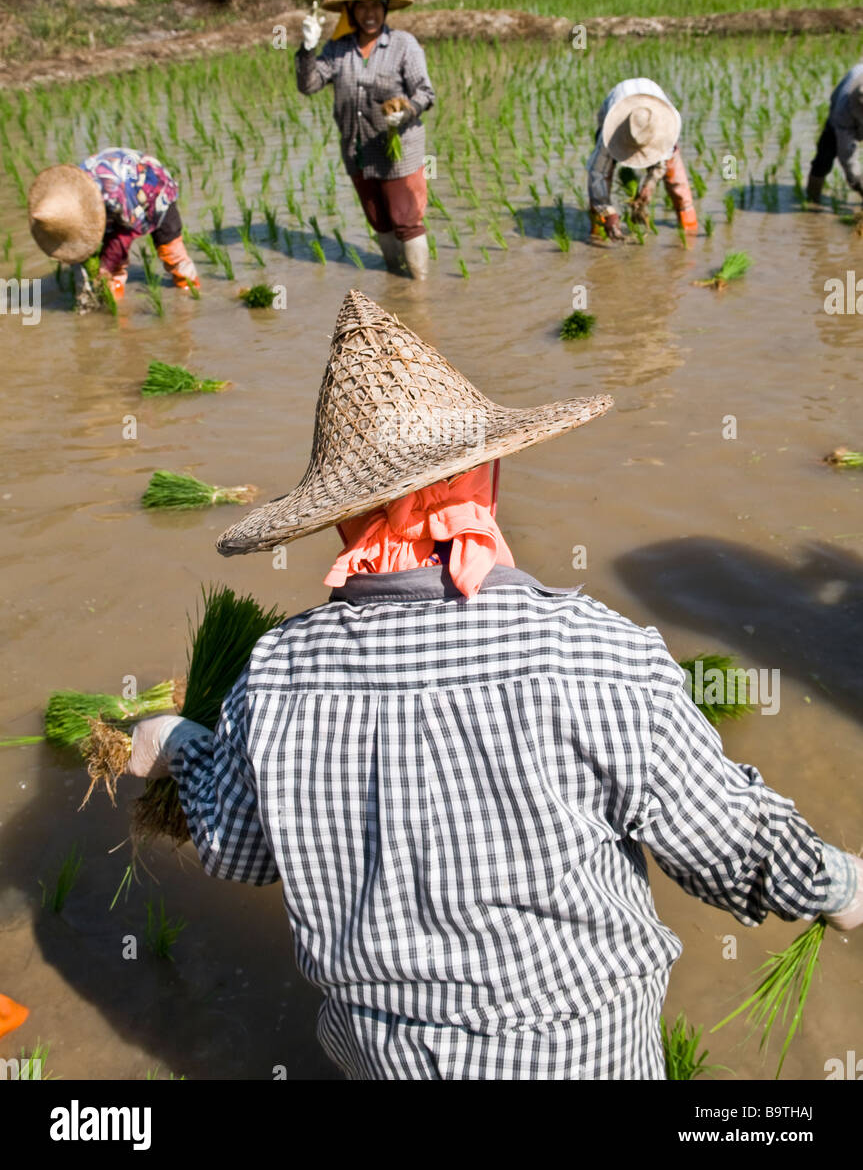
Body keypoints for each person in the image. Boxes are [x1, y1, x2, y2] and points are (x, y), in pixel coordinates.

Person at [127, 290, 862, 1082]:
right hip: (586, 1056)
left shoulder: (277, 673)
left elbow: (240, 850)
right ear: (484, 484)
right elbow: (725, 840)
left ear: (340, 520)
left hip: (388, 1059)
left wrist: (183, 747)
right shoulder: (591, 650)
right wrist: (839, 887)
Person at [296, 0, 435, 280]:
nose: (369, 14)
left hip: (398, 152)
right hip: (357, 151)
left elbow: (425, 93)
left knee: (406, 220)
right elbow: (309, 86)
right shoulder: (338, 48)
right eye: (362, 7)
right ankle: (396, 284)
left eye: (376, 6)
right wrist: (307, 48)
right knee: (380, 221)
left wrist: (407, 112)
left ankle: (419, 293)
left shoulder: (403, 44)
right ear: (351, 11)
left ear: (386, 9)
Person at [28, 148, 199, 303]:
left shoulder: (113, 193)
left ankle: (189, 288)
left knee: (170, 249)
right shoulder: (71, 193)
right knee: (113, 265)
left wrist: (105, 267)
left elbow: (124, 235)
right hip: (113, 201)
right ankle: (113, 303)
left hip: (153, 187)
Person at [587, 78, 697, 243]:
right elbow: (596, 173)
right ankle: (599, 231)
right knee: (604, 174)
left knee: (676, 178)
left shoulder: (665, 127)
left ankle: (689, 229)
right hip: (616, 107)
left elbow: (661, 164)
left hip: (654, 102)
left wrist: (649, 186)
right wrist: (608, 213)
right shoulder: (610, 135)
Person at [807, 62, 863, 204]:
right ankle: (812, 200)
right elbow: (847, 158)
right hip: (841, 117)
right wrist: (859, 183)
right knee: (823, 158)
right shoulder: (843, 111)